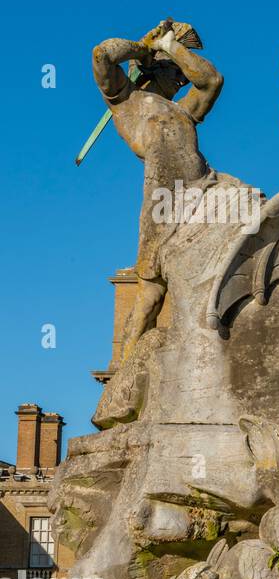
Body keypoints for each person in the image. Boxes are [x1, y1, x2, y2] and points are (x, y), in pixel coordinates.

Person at [91, 19, 224, 358]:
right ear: (150, 70)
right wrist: (144, 48)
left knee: (251, 217)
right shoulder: (125, 100)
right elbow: (103, 53)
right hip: (163, 198)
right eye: (175, 72)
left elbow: (211, 80)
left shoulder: (185, 110)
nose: (181, 79)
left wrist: (172, 48)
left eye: (182, 75)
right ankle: (128, 368)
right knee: (152, 290)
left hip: (205, 187)